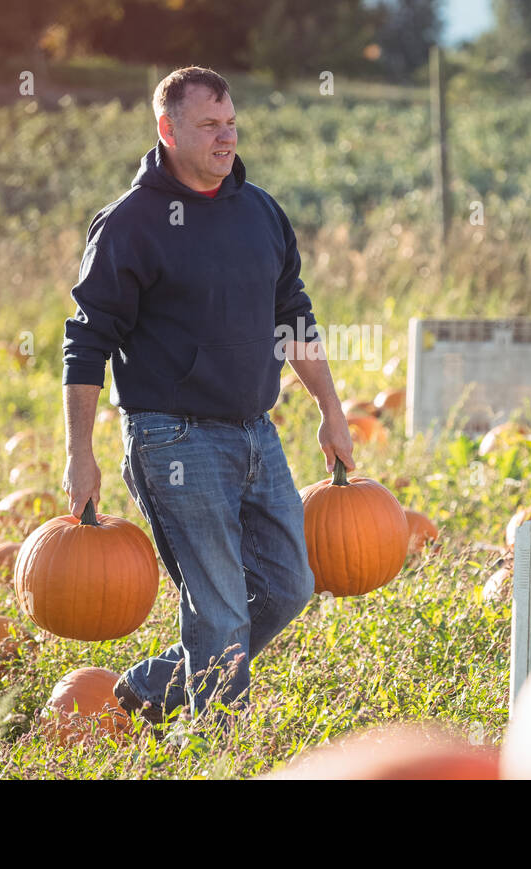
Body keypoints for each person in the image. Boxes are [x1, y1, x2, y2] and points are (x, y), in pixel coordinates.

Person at [61, 65, 354, 726]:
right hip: (174, 439)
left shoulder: (259, 211)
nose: (226, 138)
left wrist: (330, 412)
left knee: (289, 584)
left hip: (256, 429)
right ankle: (223, 748)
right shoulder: (130, 224)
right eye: (208, 126)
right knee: (218, 606)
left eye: (230, 123)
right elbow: (86, 341)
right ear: (167, 130)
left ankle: (149, 684)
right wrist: (81, 454)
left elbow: (293, 315)